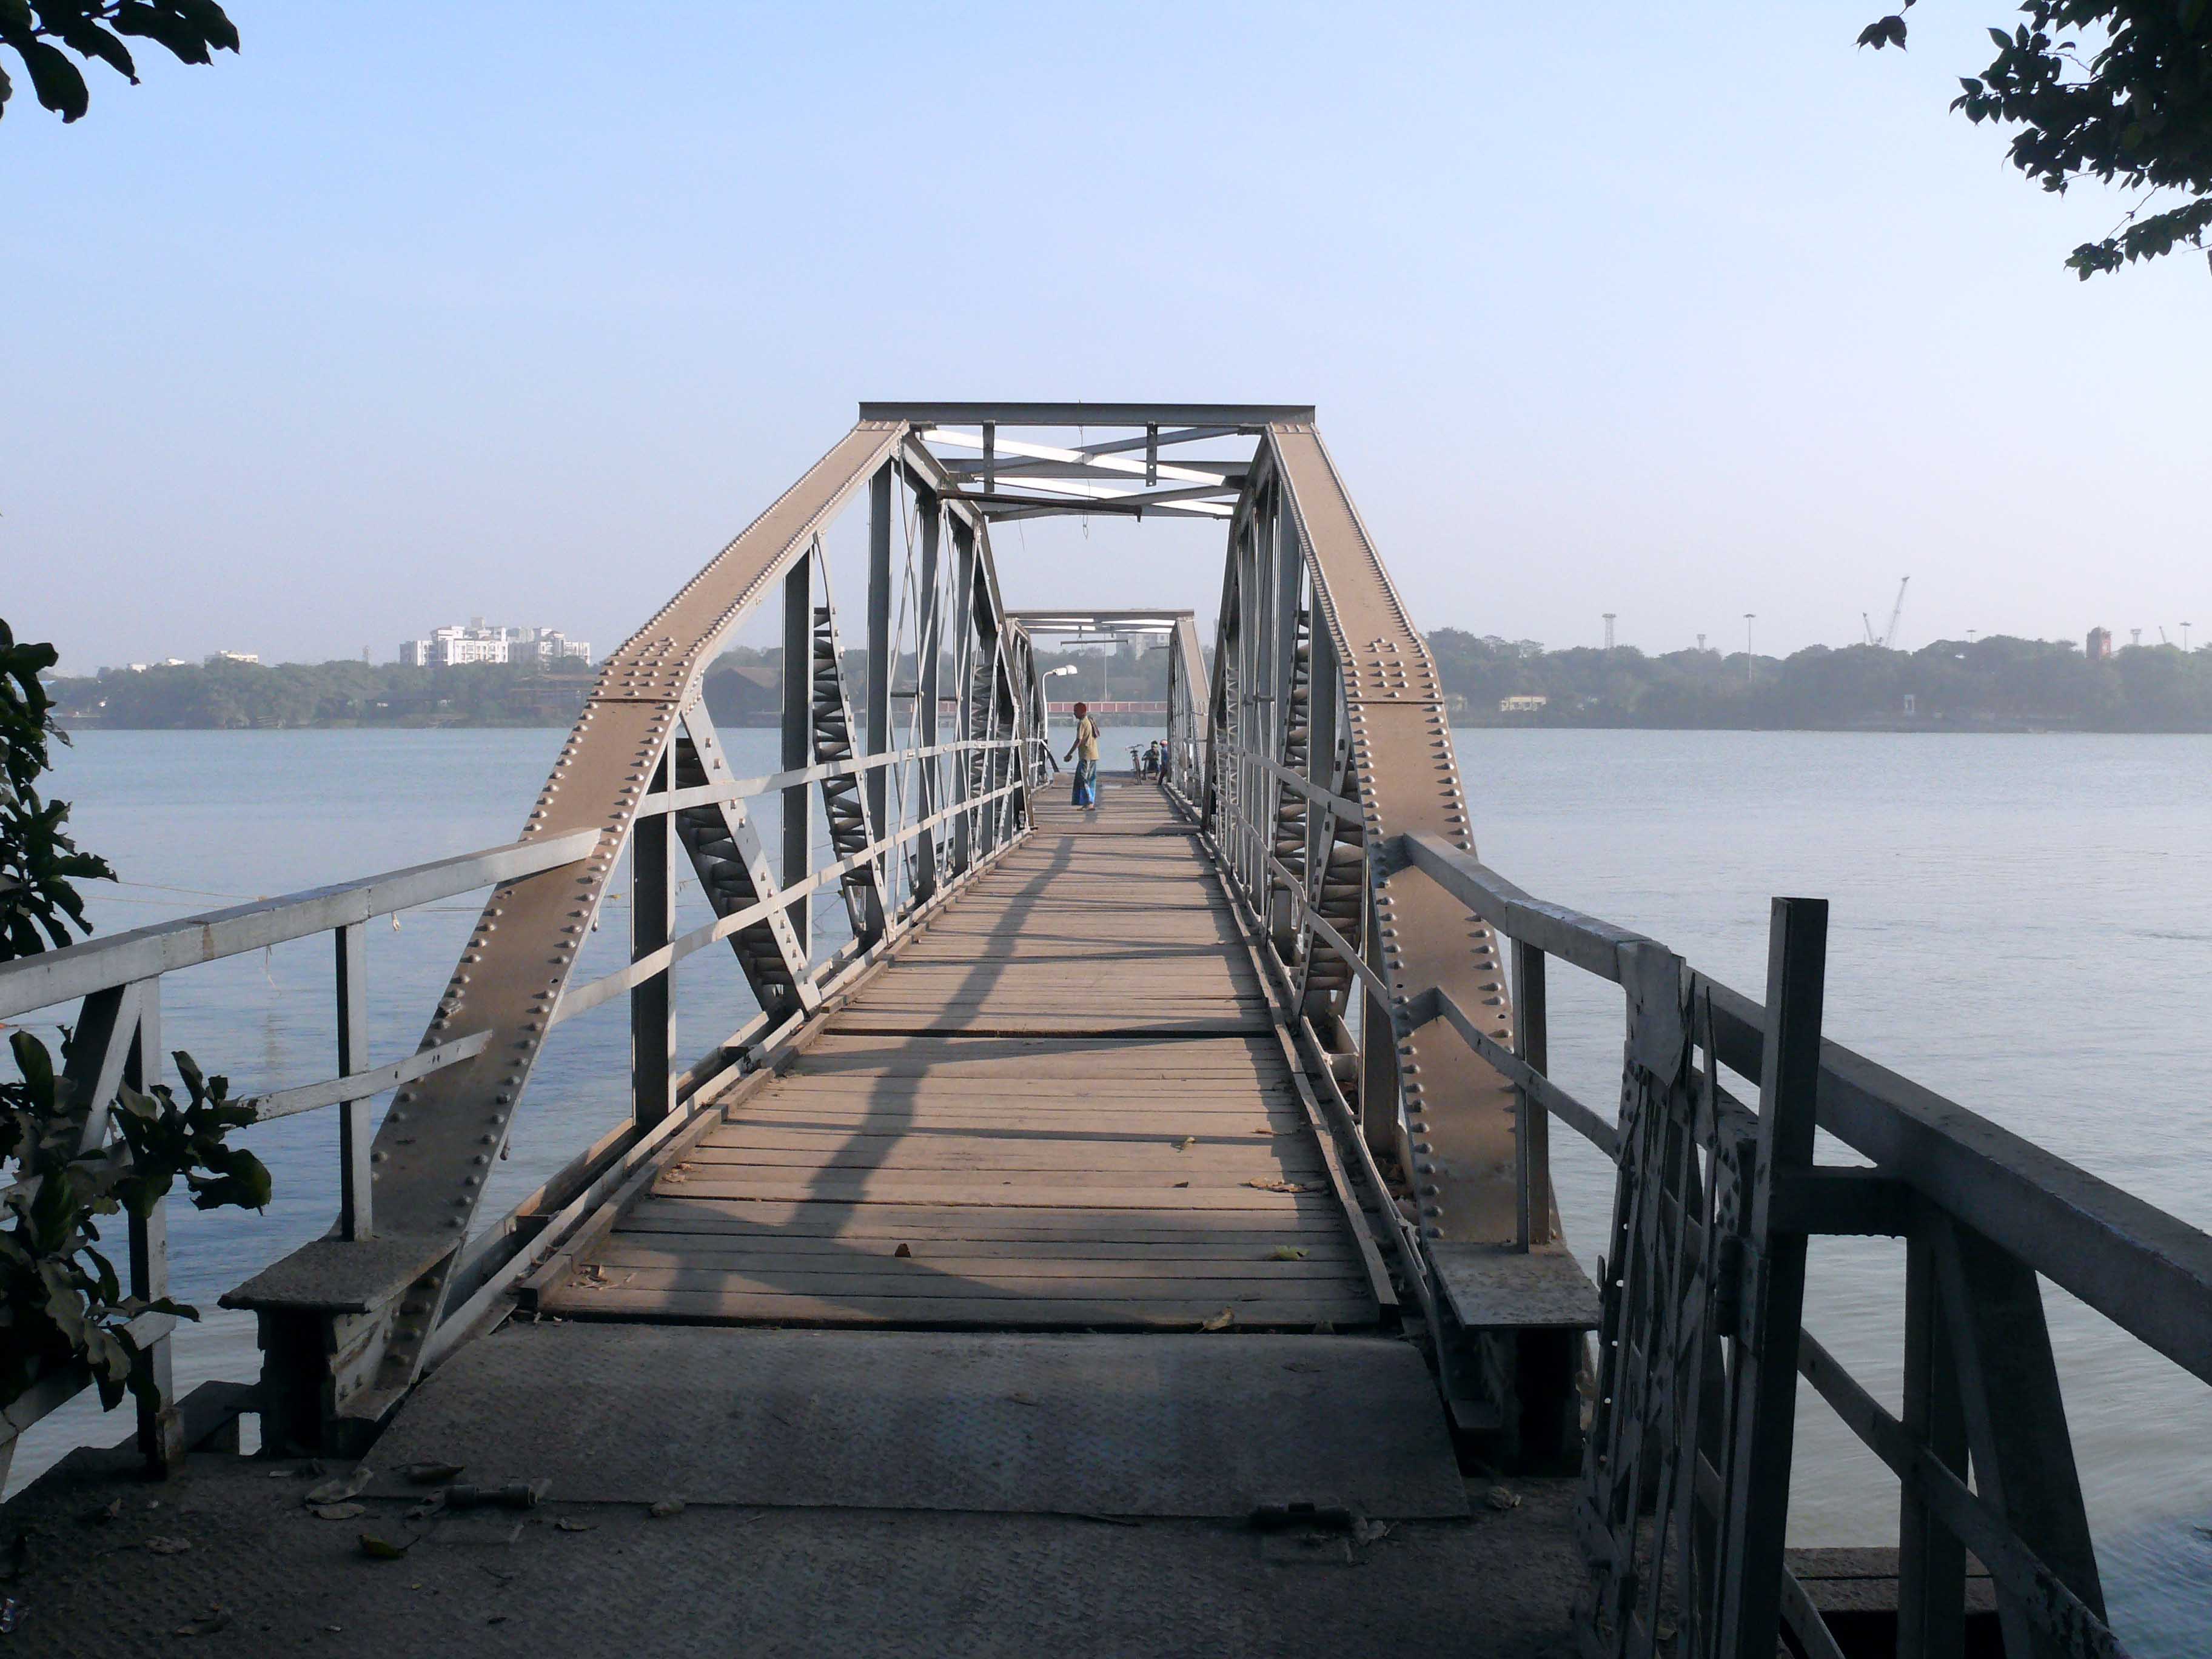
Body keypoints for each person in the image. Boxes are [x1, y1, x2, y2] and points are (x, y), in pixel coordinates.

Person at [1064, 701, 1100, 808]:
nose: (1074, 714)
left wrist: (1069, 754)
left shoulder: (1082, 723)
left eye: (1075, 711)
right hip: (1093, 754)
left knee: (1084, 779)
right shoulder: (1089, 720)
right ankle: (1088, 802)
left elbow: (1078, 740)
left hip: (1087, 755)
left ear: (1081, 712)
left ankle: (1089, 802)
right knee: (1090, 779)